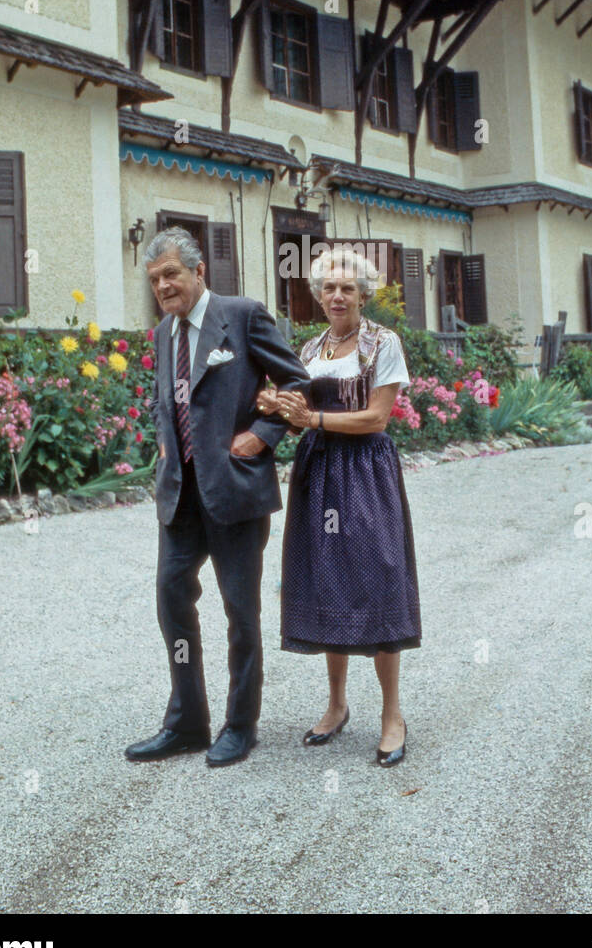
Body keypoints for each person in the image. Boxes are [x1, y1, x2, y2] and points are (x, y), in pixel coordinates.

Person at [125, 227, 311, 768]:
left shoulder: (243, 314)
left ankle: (241, 724)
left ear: (198, 272)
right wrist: (164, 442)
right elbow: (166, 401)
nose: (162, 286)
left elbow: (297, 383)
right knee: (171, 601)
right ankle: (186, 722)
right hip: (179, 496)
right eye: (155, 278)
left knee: (240, 611)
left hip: (234, 491)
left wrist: (262, 435)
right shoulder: (164, 333)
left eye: (171, 275)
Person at [257, 248, 421, 767]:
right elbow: (296, 412)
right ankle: (335, 705)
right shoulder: (308, 349)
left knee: (378, 575)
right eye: (328, 288)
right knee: (327, 576)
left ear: (363, 294)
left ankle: (392, 714)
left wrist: (315, 421)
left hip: (366, 471)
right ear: (318, 294)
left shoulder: (383, 343)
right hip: (319, 472)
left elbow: (377, 418)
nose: (337, 296)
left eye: (347, 288)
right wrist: (275, 408)